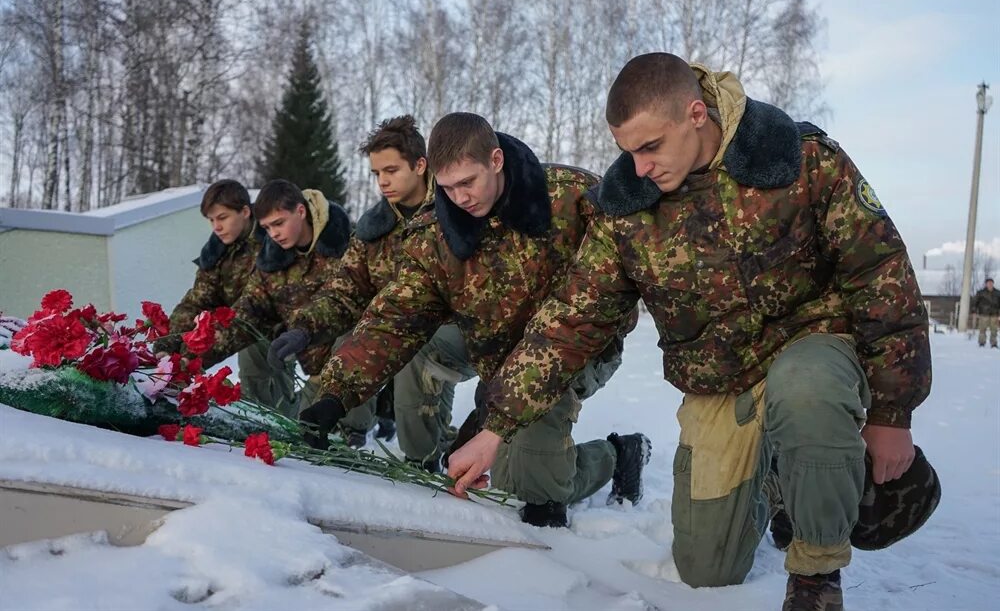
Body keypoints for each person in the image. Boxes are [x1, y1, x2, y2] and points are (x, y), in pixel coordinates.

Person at [447, 53, 934, 610]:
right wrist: (497, 427)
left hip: (813, 346)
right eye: (628, 151)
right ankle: (778, 479)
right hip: (720, 380)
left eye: (650, 147)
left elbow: (881, 275)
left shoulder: (801, 161)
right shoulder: (626, 209)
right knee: (707, 570)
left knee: (806, 385)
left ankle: (816, 576)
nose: (638, 168)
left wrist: (892, 414)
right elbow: (572, 319)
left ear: (696, 114)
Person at [297, 112, 648, 528]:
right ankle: (435, 446)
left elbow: (609, 298)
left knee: (528, 490)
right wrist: (335, 393)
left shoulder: (572, 199)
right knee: (467, 449)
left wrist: (497, 423)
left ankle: (618, 454)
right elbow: (394, 319)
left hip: (578, 349)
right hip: (498, 355)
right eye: (447, 188)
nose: (460, 198)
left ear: (495, 160)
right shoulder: (435, 233)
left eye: (468, 182)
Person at [270, 115, 476, 471]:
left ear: (420, 165)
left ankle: (423, 461)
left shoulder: (459, 208)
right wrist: (303, 328)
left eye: (391, 170)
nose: (383, 181)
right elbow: (345, 292)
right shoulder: (374, 230)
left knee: (421, 356)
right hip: (399, 331)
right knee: (351, 339)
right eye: (377, 173)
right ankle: (349, 431)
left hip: (464, 332)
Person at [197, 179, 376, 445]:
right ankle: (262, 418)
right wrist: (190, 358)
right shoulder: (272, 260)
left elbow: (362, 306)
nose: (274, 234)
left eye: (279, 223)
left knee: (353, 338)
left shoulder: (349, 244)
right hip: (310, 358)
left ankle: (356, 432)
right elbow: (249, 310)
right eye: (267, 227)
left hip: (360, 363)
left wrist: (304, 330)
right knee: (254, 340)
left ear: (300, 211)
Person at [153, 180, 294, 411]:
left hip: (286, 328)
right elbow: (196, 302)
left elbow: (254, 310)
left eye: (222, 217)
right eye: (211, 220)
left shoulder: (273, 242)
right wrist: (167, 347)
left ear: (245, 212)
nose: (216, 227)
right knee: (258, 394)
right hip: (244, 329)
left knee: (275, 390)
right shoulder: (216, 254)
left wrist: (193, 359)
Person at [972, 277, 1000, 348]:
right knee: (982, 329)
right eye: (988, 283)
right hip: (983, 314)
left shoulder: (997, 293)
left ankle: (993, 343)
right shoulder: (981, 293)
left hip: (994, 314)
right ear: (986, 284)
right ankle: (982, 342)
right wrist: (974, 311)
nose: (990, 284)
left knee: (994, 330)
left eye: (991, 283)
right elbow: (975, 302)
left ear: (993, 284)